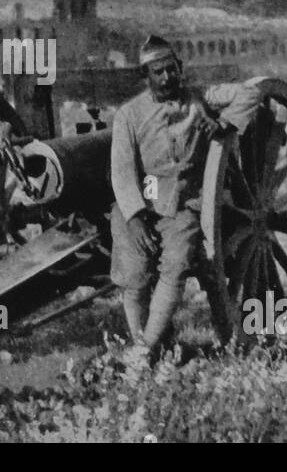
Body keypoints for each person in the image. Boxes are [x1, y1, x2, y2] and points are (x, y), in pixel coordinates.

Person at [109, 35, 262, 362]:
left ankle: (143, 349)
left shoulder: (201, 99)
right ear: (146, 76)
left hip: (183, 205)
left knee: (176, 265)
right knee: (134, 275)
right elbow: (122, 172)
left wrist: (225, 123)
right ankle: (145, 341)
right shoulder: (129, 115)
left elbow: (251, 91)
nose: (166, 78)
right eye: (158, 72)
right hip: (138, 205)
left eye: (171, 70)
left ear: (180, 69)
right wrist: (135, 218)